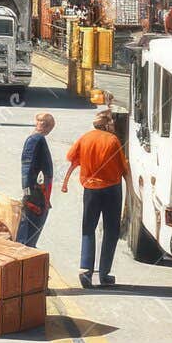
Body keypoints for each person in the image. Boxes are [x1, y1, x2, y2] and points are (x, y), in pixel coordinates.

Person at [61, 107, 128, 287]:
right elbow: (124, 168)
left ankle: (86, 271)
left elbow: (71, 157)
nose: (114, 124)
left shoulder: (86, 137)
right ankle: (104, 274)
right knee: (111, 230)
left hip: (90, 188)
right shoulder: (113, 141)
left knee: (88, 228)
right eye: (112, 121)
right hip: (112, 189)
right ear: (106, 124)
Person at [18, 112, 56, 244]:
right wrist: (27, 190)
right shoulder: (35, 140)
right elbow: (27, 166)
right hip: (36, 191)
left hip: (39, 190)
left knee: (36, 218)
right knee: (33, 219)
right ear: (48, 127)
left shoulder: (37, 139)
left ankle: (28, 246)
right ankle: (26, 247)